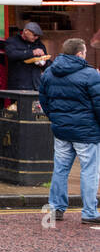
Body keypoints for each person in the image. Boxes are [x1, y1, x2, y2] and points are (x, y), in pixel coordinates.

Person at [39, 38, 100, 224]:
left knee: (60, 169)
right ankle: (89, 212)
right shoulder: (90, 74)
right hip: (86, 132)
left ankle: (56, 208)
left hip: (62, 130)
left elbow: (44, 101)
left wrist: (56, 119)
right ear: (80, 54)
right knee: (89, 170)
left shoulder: (49, 72)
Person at [5, 21, 49, 91]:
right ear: (25, 31)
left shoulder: (39, 44)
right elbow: (12, 54)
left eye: (38, 36)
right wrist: (32, 52)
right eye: (34, 35)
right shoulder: (12, 41)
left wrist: (43, 63)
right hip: (18, 85)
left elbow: (47, 63)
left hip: (36, 84)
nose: (36, 37)